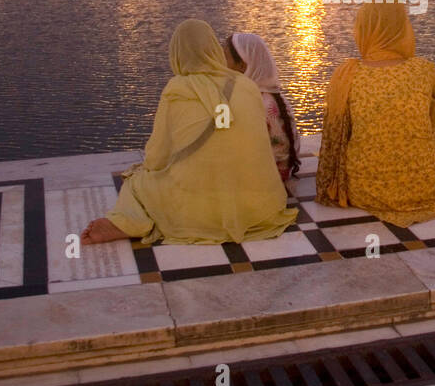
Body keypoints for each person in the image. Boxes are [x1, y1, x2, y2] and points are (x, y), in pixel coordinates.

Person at [81, 19, 297, 245]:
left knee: (136, 183)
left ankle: (128, 223)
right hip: (260, 205)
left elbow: (157, 156)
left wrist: (153, 173)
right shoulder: (247, 86)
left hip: (200, 210)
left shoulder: (178, 89)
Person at [316, 1, 435, 226]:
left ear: (363, 30)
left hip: (367, 189)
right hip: (430, 184)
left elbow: (335, 132)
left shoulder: (347, 75)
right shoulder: (421, 68)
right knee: (431, 106)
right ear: (402, 30)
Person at [224, 32, 302, 192]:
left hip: (261, 178)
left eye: (225, 57)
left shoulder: (245, 100)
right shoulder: (274, 97)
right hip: (282, 172)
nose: (220, 62)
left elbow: (222, 134)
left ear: (242, 65)